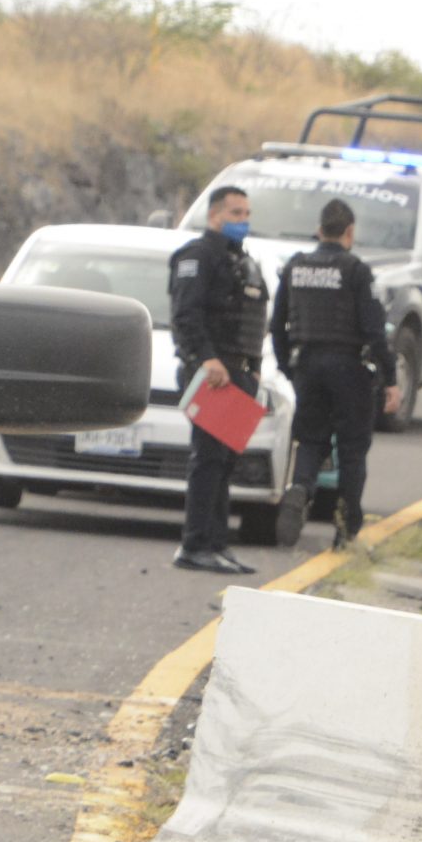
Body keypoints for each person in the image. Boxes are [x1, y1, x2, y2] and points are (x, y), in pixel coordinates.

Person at [272, 198, 401, 549]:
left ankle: (299, 489)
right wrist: (390, 378)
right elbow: (375, 330)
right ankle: (346, 528)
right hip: (349, 368)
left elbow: (277, 324)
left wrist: (288, 368)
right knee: (352, 448)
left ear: (319, 230)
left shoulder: (295, 267)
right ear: (349, 232)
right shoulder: (355, 270)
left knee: (311, 441)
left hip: (307, 366)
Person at [168, 186, 272, 574]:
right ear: (215, 216)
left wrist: (255, 365)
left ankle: (216, 544)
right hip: (210, 374)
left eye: (246, 213)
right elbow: (186, 316)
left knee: (226, 462)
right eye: (235, 213)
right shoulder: (197, 257)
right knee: (208, 460)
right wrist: (206, 359)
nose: (243, 220)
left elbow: (254, 318)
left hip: (238, 372)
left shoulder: (240, 261)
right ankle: (194, 545)